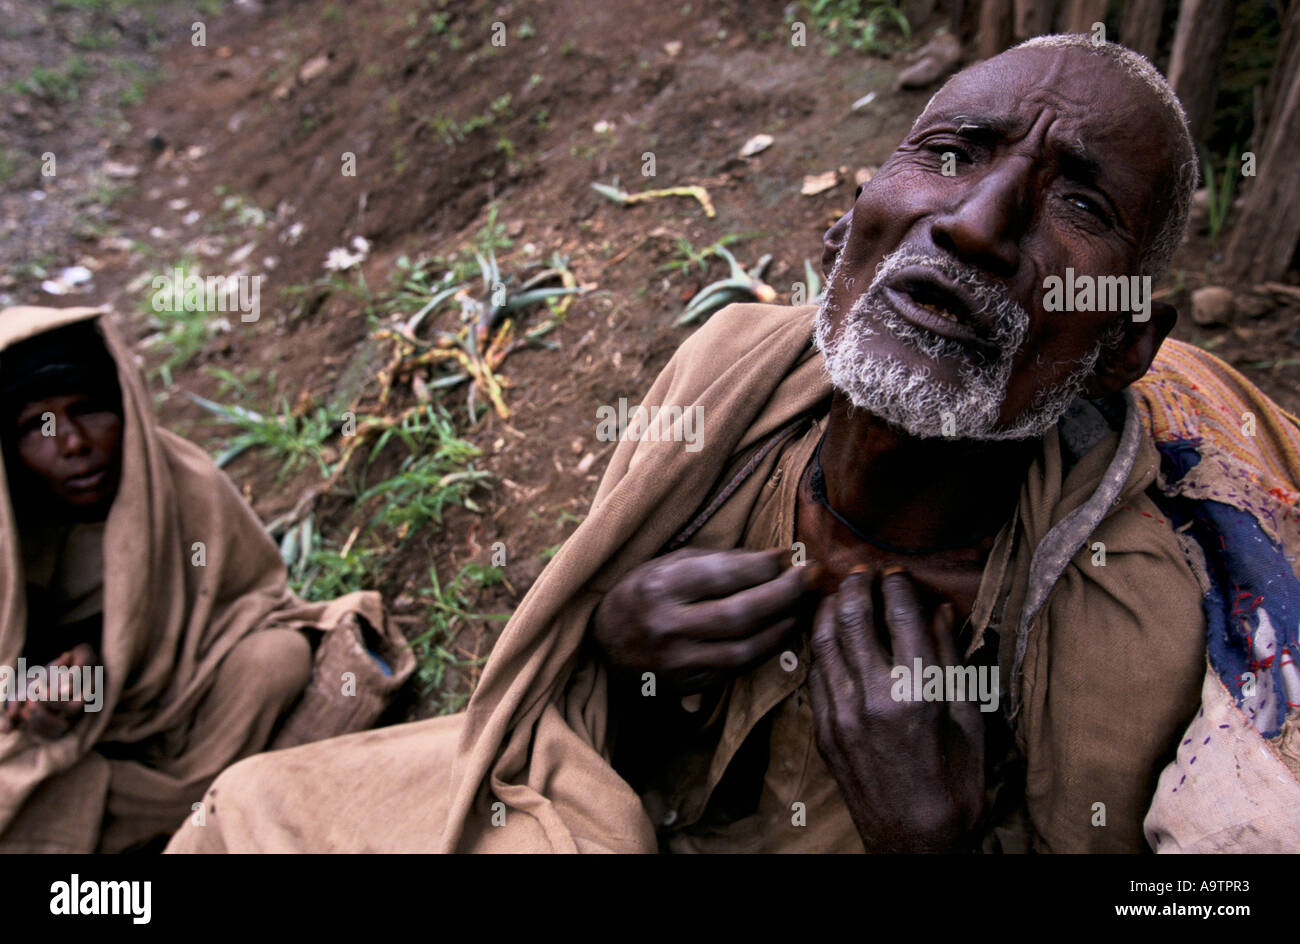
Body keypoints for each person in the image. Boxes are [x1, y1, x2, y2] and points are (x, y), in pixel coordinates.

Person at [167, 35, 1300, 854]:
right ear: (840, 229)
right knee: (253, 814)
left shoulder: (1123, 626)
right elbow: (554, 727)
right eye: (953, 150)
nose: (975, 219)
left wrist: (932, 841)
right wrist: (617, 653)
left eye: (1081, 207)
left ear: (1121, 349)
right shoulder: (725, 383)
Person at [0, 306, 405, 853]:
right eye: (36, 428)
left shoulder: (182, 486)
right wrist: (32, 695)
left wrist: (106, 655)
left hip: (184, 707)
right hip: (77, 749)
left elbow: (251, 602)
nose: (72, 443)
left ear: (127, 406)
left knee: (276, 659)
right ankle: (198, 812)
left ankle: (165, 816)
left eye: (88, 410)